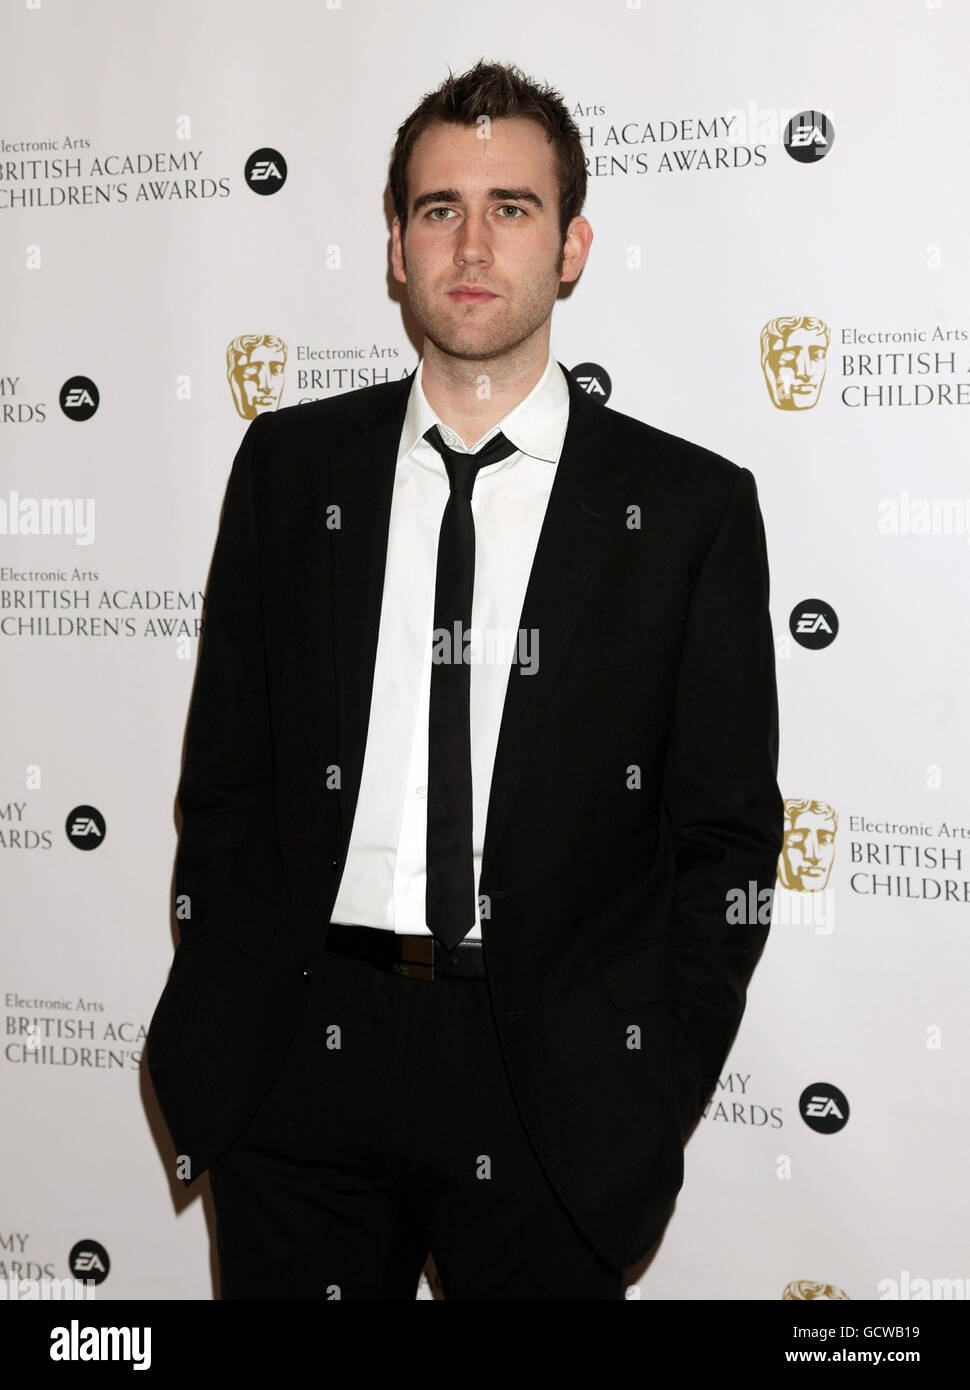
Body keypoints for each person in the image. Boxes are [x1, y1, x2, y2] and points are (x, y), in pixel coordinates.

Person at [146, 59, 784, 1301]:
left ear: (573, 244)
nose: (473, 241)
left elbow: (726, 840)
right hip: (302, 1057)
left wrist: (653, 1073)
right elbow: (223, 778)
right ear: (396, 247)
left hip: (552, 1078)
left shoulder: (690, 508)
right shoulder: (287, 468)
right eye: (439, 209)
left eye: (513, 206)